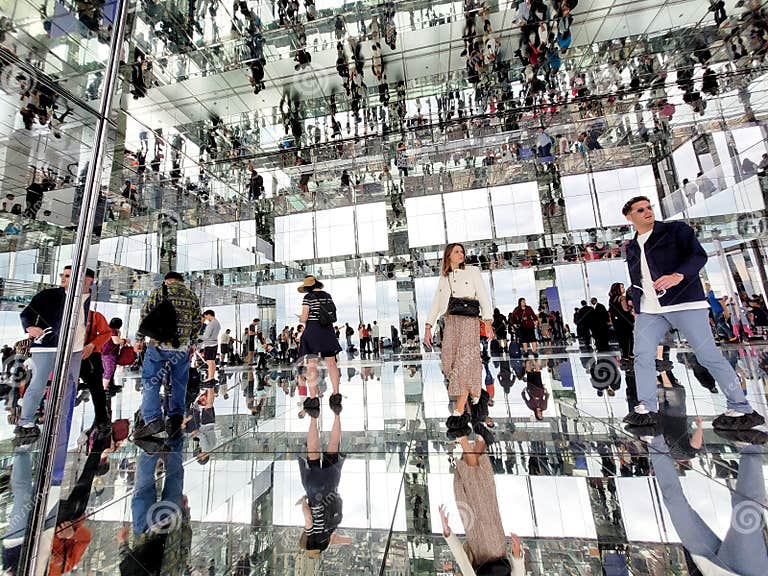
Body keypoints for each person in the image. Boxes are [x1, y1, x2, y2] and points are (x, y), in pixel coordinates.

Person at [621, 196, 763, 430]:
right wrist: (637, 304)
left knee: (707, 355)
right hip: (649, 309)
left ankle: (741, 406)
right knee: (643, 357)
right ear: (629, 217)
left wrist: (678, 276)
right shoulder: (632, 246)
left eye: (649, 207)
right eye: (640, 209)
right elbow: (639, 276)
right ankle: (647, 407)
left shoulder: (675, 230)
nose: (647, 212)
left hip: (685, 303)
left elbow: (698, 256)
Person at [15, 266, 93, 446]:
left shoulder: (87, 298)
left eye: (68, 276)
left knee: (68, 387)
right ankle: (25, 421)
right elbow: (27, 313)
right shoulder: (48, 295)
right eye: (63, 275)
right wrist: (30, 327)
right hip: (47, 347)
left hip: (74, 349)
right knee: (38, 383)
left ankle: (57, 419)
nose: (63, 279)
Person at [424, 243, 493, 435]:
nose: (461, 254)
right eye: (456, 251)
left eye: (462, 251)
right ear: (448, 256)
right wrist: (428, 326)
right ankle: (476, 392)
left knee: (465, 360)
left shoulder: (472, 271)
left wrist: (488, 321)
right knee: (448, 362)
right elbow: (436, 303)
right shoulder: (444, 277)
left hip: (469, 320)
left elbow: (483, 296)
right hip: (451, 321)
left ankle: (459, 410)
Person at [438, 439, 525, 576]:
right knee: (480, 490)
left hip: (476, 542)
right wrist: (517, 554)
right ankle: (465, 439)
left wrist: (447, 532)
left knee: (468, 491)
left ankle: (479, 438)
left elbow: (462, 559)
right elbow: (519, 573)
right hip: (495, 544)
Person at [133, 272, 201, 442]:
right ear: (182, 281)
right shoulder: (192, 296)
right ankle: (176, 417)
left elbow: (145, 315)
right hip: (181, 348)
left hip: (158, 345)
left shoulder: (160, 292)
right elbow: (197, 323)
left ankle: (153, 420)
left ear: (167, 281)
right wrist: (192, 343)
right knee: (179, 382)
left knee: (151, 381)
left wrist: (139, 339)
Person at [296, 276, 342, 411]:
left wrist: (301, 319)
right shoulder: (327, 296)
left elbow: (304, 317)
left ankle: (313, 399)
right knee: (331, 363)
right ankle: (336, 395)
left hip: (313, 330)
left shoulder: (308, 297)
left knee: (312, 365)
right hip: (327, 330)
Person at [608, 283, 634, 362]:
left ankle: (624, 355)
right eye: (622, 287)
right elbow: (625, 309)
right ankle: (630, 354)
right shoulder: (622, 297)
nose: (624, 289)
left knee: (622, 339)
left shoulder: (611, 299)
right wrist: (631, 307)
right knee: (629, 337)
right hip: (625, 321)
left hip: (617, 322)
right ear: (617, 289)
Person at [101, 318, 124, 393]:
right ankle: (103, 388)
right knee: (109, 370)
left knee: (110, 370)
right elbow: (116, 341)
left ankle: (110, 385)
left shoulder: (109, 329)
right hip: (109, 353)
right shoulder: (113, 330)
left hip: (108, 353)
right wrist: (124, 340)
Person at [200, 310, 220, 386]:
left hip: (209, 344)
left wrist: (199, 337)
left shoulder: (211, 324)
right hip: (214, 343)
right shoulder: (217, 323)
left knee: (209, 362)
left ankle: (210, 379)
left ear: (208, 315)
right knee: (212, 362)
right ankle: (212, 378)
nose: (206, 318)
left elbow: (206, 336)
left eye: (206, 316)